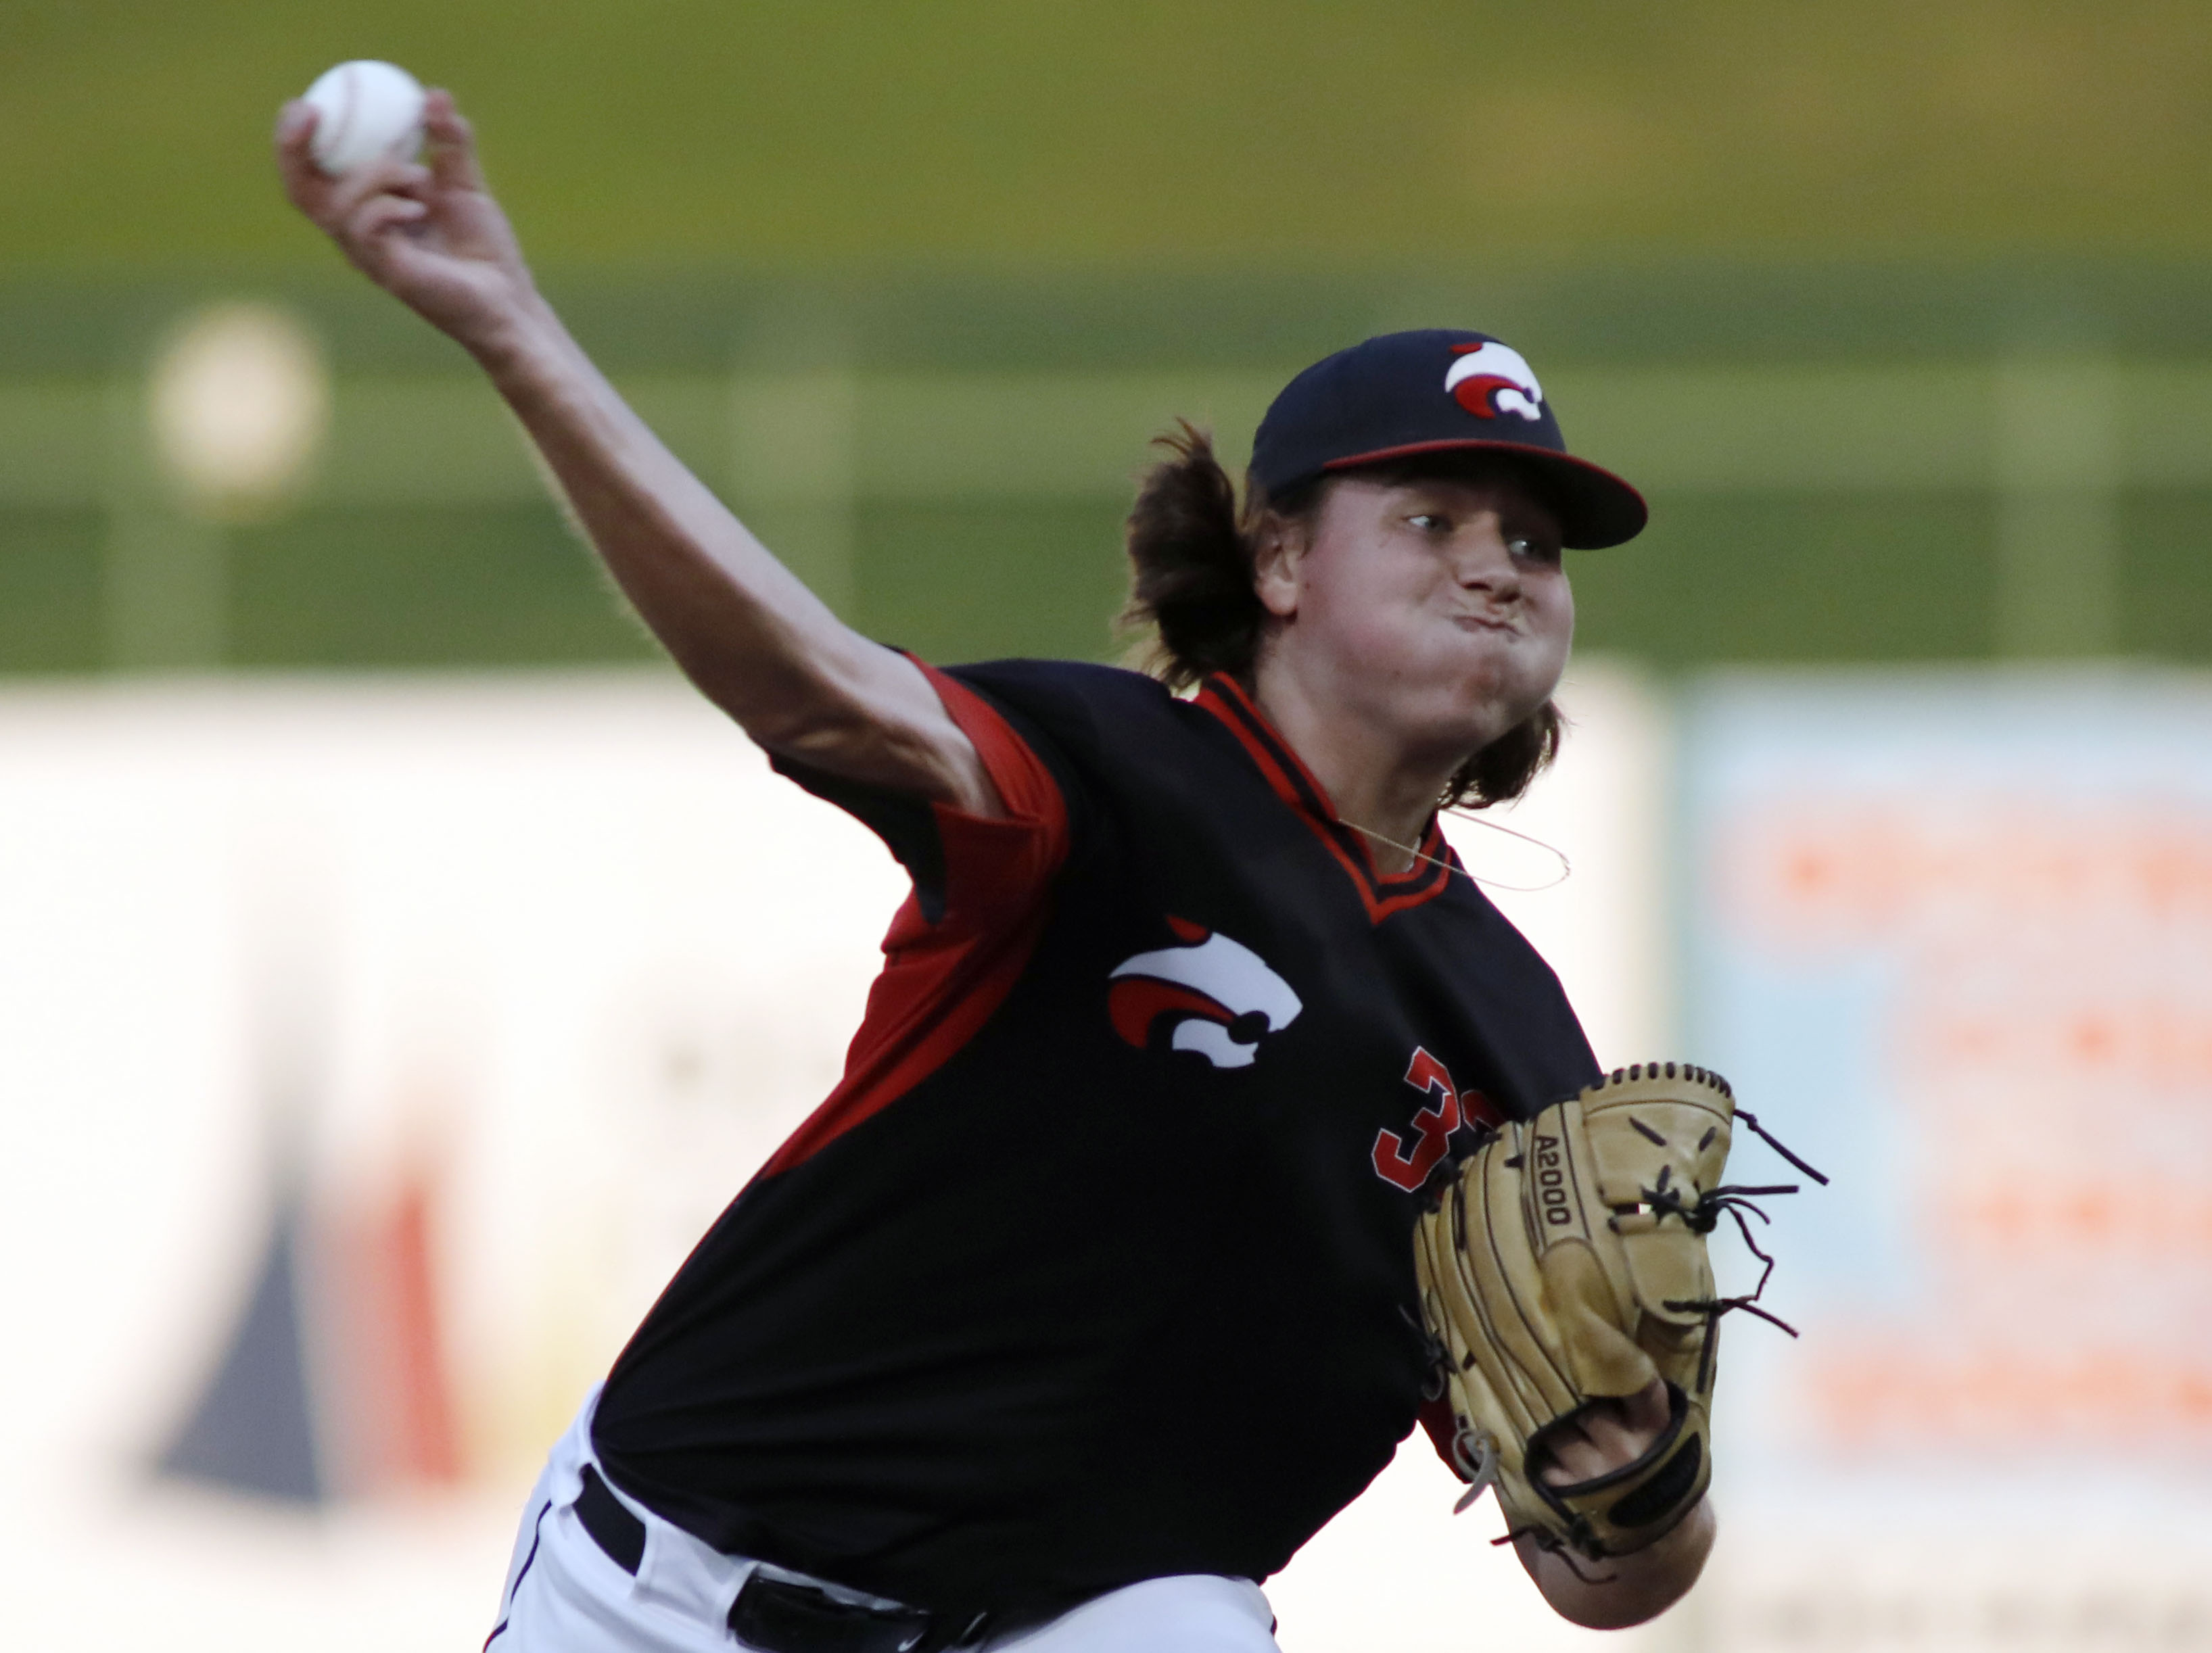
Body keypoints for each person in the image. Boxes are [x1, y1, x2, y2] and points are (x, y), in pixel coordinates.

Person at [277, 88, 1714, 1653]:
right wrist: (515, 336)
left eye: (1534, 538)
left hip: (1058, 1625)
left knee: (1193, 1633)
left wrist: (1644, 1472)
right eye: (1431, 514)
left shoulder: (1516, 1043)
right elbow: (811, 684)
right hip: (677, 1594)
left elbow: (1603, 1583)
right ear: (1281, 564)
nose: (1497, 562)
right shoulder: (1111, 779)